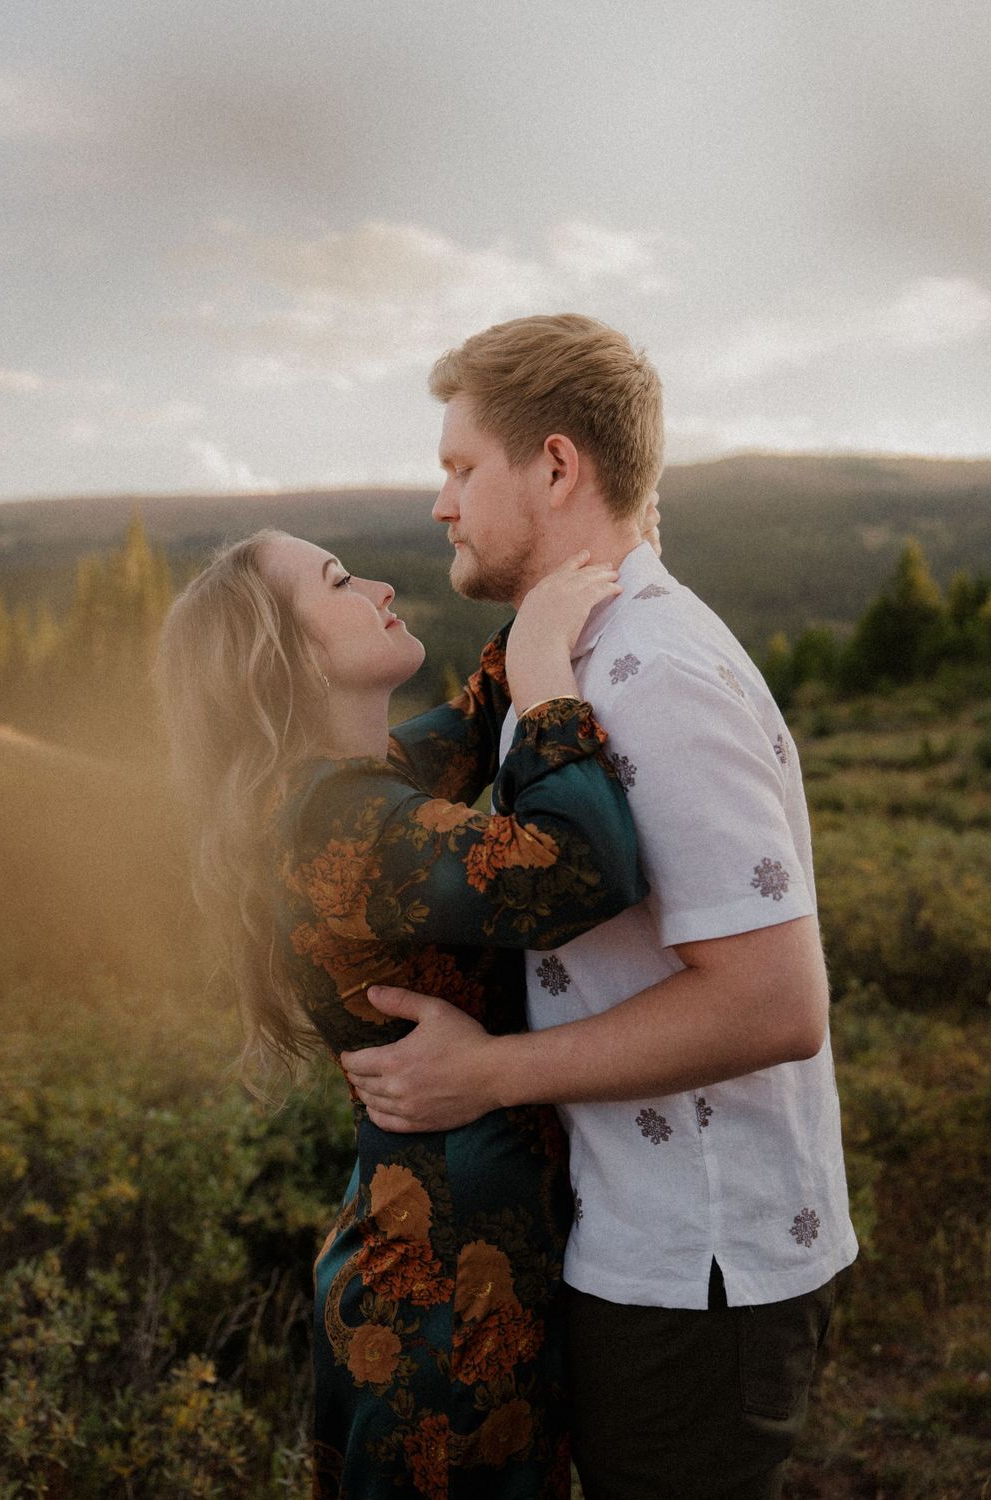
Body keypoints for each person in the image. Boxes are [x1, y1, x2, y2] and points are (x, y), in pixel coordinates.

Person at [342, 313, 859, 1500]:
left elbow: (777, 1006)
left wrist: (484, 1076)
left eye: (461, 468)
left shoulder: (650, 674)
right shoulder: (578, 655)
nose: (441, 504)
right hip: (645, 1246)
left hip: (701, 1272)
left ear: (558, 465)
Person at [155, 529, 647, 1500]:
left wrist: (590, 542)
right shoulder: (336, 824)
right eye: (339, 581)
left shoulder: (331, 787)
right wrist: (549, 662)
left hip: (437, 1263)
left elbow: (475, 715)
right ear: (282, 657)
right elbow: (587, 864)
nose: (376, 582)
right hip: (446, 1306)